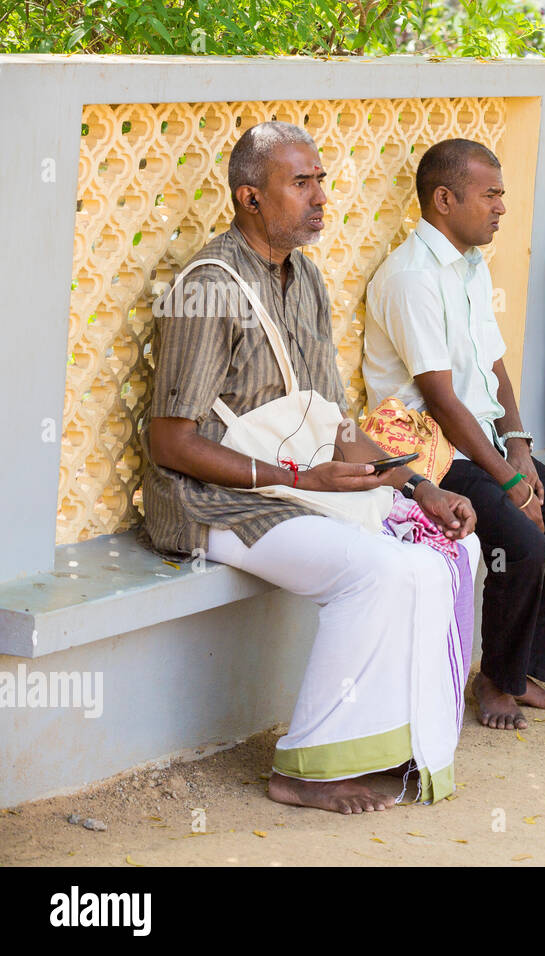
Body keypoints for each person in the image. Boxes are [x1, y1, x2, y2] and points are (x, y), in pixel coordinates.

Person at [143, 121, 480, 815]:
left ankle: (388, 746)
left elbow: (336, 425)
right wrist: (298, 479)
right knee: (376, 570)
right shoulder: (208, 287)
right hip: (214, 503)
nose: (321, 196)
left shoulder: (305, 280)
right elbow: (170, 443)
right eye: (301, 183)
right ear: (250, 199)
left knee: (450, 546)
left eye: (321, 180)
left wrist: (418, 485)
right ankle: (304, 769)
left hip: (301, 486)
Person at [365, 139, 545, 731]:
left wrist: (521, 450)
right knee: (526, 547)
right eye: (491, 195)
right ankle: (497, 682)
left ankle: (523, 668)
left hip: (484, 442)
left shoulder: (471, 268)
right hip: (434, 453)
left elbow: (495, 369)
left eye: (502, 194)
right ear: (444, 199)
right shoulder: (411, 278)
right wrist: (511, 484)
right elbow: (442, 400)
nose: (502, 207)